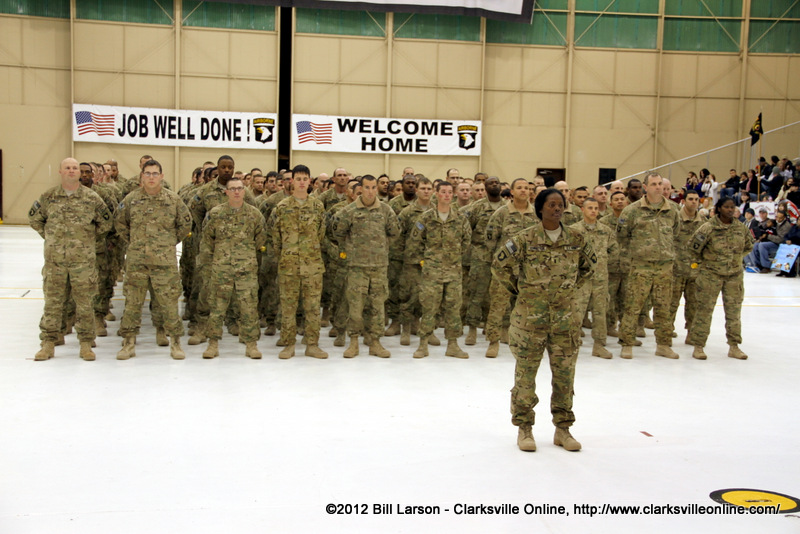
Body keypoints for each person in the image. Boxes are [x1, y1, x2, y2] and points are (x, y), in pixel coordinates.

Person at [493, 188, 595, 452]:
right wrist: (520, 290)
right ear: (540, 208)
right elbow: (499, 265)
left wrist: (569, 290)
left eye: (560, 204)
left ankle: (563, 429)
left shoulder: (576, 238)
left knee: (564, 376)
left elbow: (589, 266)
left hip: (564, 320)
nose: (557, 209)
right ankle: (524, 428)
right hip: (530, 320)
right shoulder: (524, 238)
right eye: (551, 205)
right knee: (525, 377)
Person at [29, 158, 113, 361]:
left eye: (75, 168)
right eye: (67, 168)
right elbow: (34, 218)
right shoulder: (49, 196)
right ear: (60, 171)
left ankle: (85, 344)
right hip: (55, 262)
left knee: (85, 304)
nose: (72, 171)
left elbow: (105, 223)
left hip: (83, 263)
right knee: (53, 303)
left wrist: (87, 240)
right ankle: (48, 343)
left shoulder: (91, 198)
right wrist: (51, 237)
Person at [116, 159, 192, 360]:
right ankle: (128, 343)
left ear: (161, 176)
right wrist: (135, 242)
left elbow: (185, 224)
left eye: (155, 173)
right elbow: (120, 223)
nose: (151, 177)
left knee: (169, 303)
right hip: (137, 262)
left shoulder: (173, 200)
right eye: (147, 173)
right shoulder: (131, 199)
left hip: (164, 262)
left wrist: (168, 242)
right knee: (133, 303)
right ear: (142, 176)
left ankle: (175, 343)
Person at [199, 177, 266, 359]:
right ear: (226, 192)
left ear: (244, 191)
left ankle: (251, 344)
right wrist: (210, 266)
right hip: (222, 269)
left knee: (249, 307)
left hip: (246, 269)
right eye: (233, 189)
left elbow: (260, 239)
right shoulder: (215, 214)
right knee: (217, 308)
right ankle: (213, 344)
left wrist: (247, 257)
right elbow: (207, 241)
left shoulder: (254, 214)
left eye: (239, 188)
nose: (236, 192)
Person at [334, 175, 400, 358]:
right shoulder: (349, 211)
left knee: (377, 306)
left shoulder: (386, 210)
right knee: (355, 306)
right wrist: (352, 249)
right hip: (357, 267)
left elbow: (394, 233)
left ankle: (375, 342)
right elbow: (338, 233)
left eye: (373, 187)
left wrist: (381, 247)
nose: (370, 191)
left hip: (379, 266)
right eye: (367, 187)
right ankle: (353, 342)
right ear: (361, 189)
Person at [616, 172, 680, 359]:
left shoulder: (672, 210)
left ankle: (663, 345)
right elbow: (622, 236)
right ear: (645, 187)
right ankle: (627, 343)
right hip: (640, 267)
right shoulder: (632, 210)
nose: (658, 187)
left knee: (663, 308)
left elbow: (676, 232)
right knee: (633, 306)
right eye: (653, 184)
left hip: (664, 267)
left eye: (660, 184)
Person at [408, 181, 471, 359]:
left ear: (453, 194)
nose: (446, 195)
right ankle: (423, 344)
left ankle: (453, 345)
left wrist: (454, 257)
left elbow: (466, 241)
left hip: (453, 272)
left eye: (449, 192)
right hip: (432, 272)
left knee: (453, 309)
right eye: (443, 192)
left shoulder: (460, 218)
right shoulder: (426, 218)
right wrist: (425, 260)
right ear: (436, 194)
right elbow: (415, 241)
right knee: (429, 308)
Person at [271, 165, 328, 359]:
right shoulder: (282, 207)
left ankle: (312, 345)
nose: (302, 182)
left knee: (313, 308)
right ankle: (288, 345)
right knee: (288, 308)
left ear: (310, 182)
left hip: (312, 266)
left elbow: (321, 234)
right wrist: (286, 255)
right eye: (298, 179)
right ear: (292, 181)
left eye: (305, 179)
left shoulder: (317, 206)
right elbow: (276, 238)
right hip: (289, 266)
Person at [687, 197, 753, 360]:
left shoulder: (740, 228)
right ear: (718, 208)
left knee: (734, 313)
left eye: (732, 207)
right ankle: (698, 346)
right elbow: (693, 249)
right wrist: (706, 264)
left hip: (734, 277)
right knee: (704, 311)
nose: (730, 210)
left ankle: (734, 346)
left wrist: (734, 260)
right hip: (711, 276)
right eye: (726, 207)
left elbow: (748, 246)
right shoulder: (708, 228)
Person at [484, 178, 537, 357]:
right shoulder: (502, 213)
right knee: (498, 306)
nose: (523, 190)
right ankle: (493, 341)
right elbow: (490, 239)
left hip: (528, 270)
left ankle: (524, 341)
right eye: (519, 188)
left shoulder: (536, 214)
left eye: (526, 188)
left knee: (527, 307)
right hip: (504, 270)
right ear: (512, 192)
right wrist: (499, 260)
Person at [570, 197, 617, 359]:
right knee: (576, 311)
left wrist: (603, 263)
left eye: (596, 208)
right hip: (581, 279)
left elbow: (614, 250)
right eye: (590, 208)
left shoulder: (605, 230)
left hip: (600, 278)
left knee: (600, 311)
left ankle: (599, 345)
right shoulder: (574, 230)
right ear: (582, 210)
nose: (593, 211)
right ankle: (571, 343)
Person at [461, 176, 504, 345]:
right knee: (476, 293)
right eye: (490, 183)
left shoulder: (506, 208)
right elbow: (465, 229)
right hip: (480, 256)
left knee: (497, 295)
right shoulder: (477, 207)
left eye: (496, 183)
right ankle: (472, 329)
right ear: (485, 188)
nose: (494, 185)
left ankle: (493, 328)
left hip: (501, 258)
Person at [669, 190, 706, 341]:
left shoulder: (703, 221)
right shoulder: (674, 219)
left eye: (696, 199)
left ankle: (691, 333)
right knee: (670, 303)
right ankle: (666, 332)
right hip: (676, 268)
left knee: (694, 304)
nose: (694, 202)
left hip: (695, 270)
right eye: (690, 199)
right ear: (683, 201)